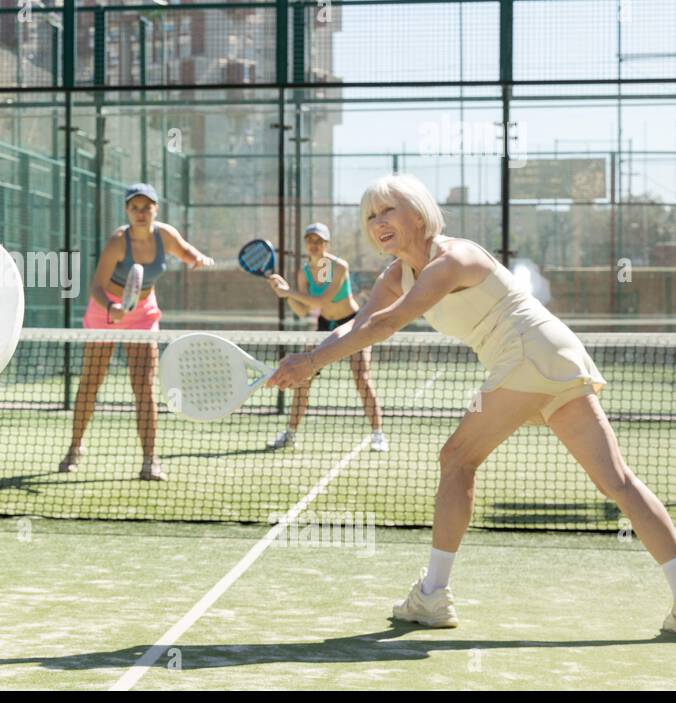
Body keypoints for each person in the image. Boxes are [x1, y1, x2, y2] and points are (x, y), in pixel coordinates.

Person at [267, 173, 676, 632]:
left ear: (418, 214)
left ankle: (433, 596)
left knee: (457, 458)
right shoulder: (395, 274)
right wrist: (310, 357)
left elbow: (387, 325)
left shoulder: (451, 259)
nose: (378, 222)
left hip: (528, 352)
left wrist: (312, 360)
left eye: (389, 211)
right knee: (617, 481)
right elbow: (359, 323)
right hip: (551, 355)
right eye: (370, 216)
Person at [59, 183, 213, 481]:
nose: (141, 213)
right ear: (127, 211)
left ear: (156, 209)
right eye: (135, 208)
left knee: (143, 386)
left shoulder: (164, 234)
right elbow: (97, 286)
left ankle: (150, 461)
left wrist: (198, 258)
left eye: (147, 207)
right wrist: (113, 308)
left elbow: (184, 250)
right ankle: (74, 447)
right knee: (91, 382)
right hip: (106, 312)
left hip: (143, 313)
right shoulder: (118, 241)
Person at [264, 222, 387, 452]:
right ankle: (290, 434)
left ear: (327, 244)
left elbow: (323, 301)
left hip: (353, 323)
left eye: (319, 241)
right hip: (324, 325)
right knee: (303, 379)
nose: (314, 245)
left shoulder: (338, 266)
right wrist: (282, 293)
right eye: (310, 240)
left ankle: (378, 434)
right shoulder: (304, 272)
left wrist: (289, 291)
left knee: (361, 377)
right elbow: (302, 310)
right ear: (305, 244)